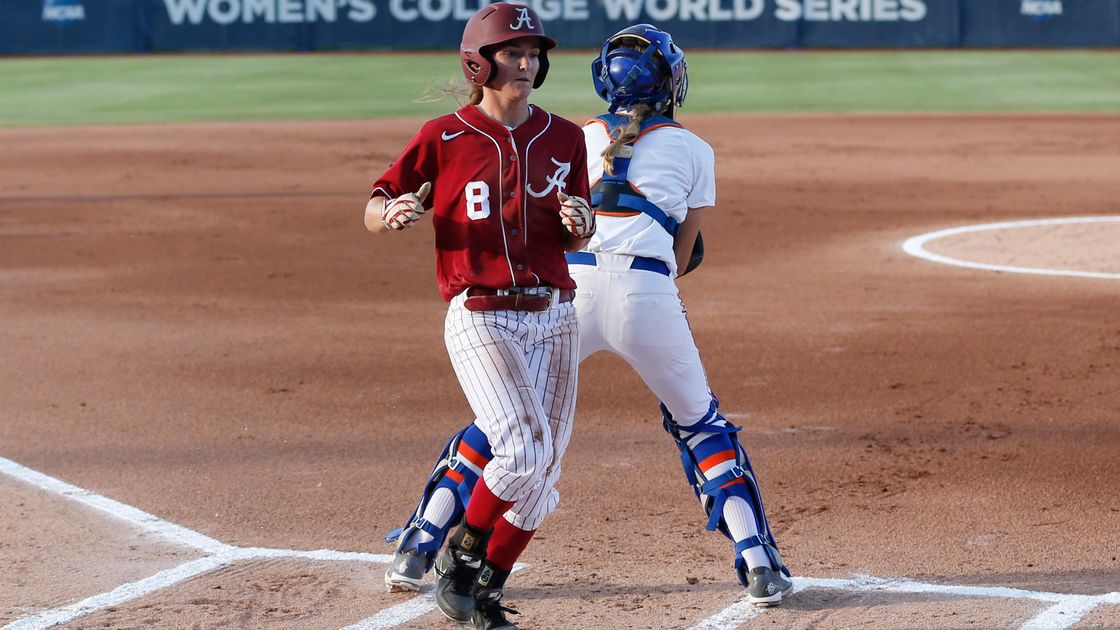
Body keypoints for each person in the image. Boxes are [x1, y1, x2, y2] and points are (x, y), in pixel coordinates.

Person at [384, 23, 794, 609]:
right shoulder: (695, 150)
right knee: (700, 424)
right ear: (670, 83)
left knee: (503, 425)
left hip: (566, 291)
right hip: (646, 294)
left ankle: (420, 544)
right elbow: (681, 259)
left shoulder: (574, 134)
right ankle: (759, 565)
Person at [365, 4, 594, 629]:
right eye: (513, 53)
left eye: (534, 54)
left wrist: (581, 224)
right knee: (518, 453)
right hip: (481, 314)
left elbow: (575, 237)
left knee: (543, 477)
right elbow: (376, 204)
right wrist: (391, 214)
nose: (527, 64)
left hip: (555, 316)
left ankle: (486, 590)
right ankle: (462, 556)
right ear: (479, 63)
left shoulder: (565, 138)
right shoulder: (444, 136)